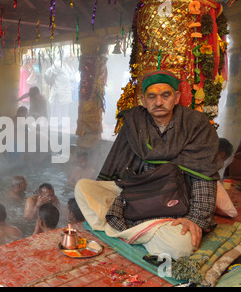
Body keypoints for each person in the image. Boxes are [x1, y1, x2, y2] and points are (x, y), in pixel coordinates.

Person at [74, 70, 222, 260]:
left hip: (177, 204)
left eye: (165, 95)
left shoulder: (195, 124)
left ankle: (128, 232)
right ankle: (146, 234)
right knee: (83, 187)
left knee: (181, 248)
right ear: (143, 101)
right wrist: (124, 196)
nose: (158, 102)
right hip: (139, 195)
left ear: (176, 97)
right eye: (152, 97)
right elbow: (120, 166)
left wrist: (195, 219)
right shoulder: (135, 122)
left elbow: (204, 174)